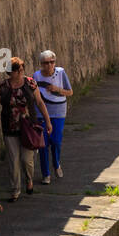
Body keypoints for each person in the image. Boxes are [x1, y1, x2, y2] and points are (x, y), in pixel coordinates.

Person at [0, 57, 52, 201]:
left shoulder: (30, 83)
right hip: (9, 128)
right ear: (11, 72)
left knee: (27, 160)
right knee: (14, 160)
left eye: (22, 70)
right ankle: (15, 190)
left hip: (28, 127)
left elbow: (40, 102)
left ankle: (29, 179)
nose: (21, 73)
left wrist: (48, 121)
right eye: (18, 71)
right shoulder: (1, 87)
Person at [32, 50, 73, 184]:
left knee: (55, 141)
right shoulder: (36, 76)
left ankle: (56, 163)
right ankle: (46, 174)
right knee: (43, 144)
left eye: (52, 62)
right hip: (41, 113)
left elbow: (70, 92)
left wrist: (57, 89)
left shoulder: (60, 72)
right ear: (41, 64)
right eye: (46, 63)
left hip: (58, 112)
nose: (49, 65)